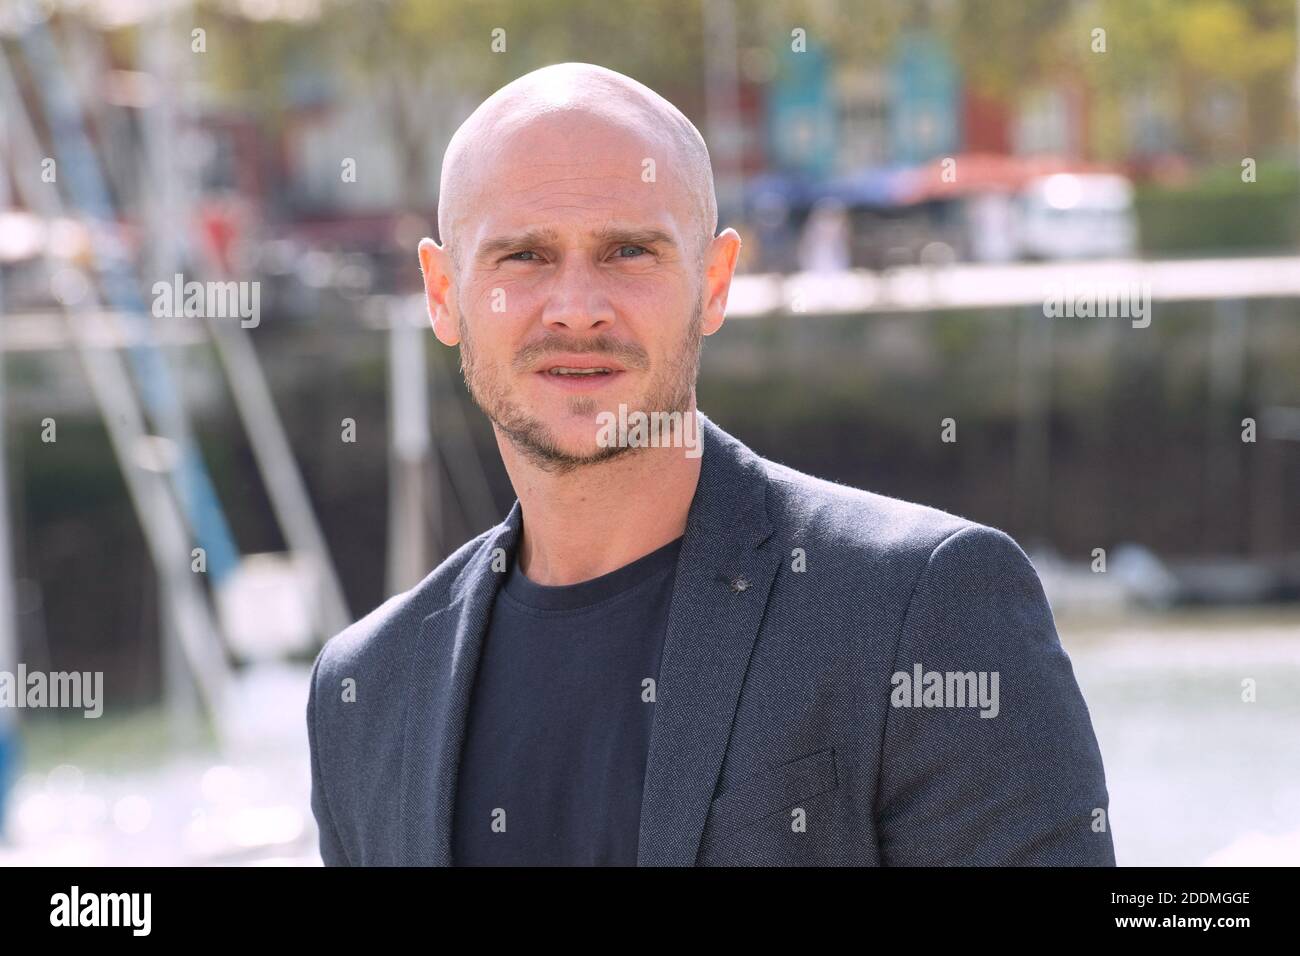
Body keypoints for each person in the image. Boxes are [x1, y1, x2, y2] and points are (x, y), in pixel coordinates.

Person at [306, 62, 1114, 866]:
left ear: (714, 282)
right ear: (443, 294)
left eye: (629, 251)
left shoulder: (922, 610)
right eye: (523, 256)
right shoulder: (366, 690)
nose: (577, 306)